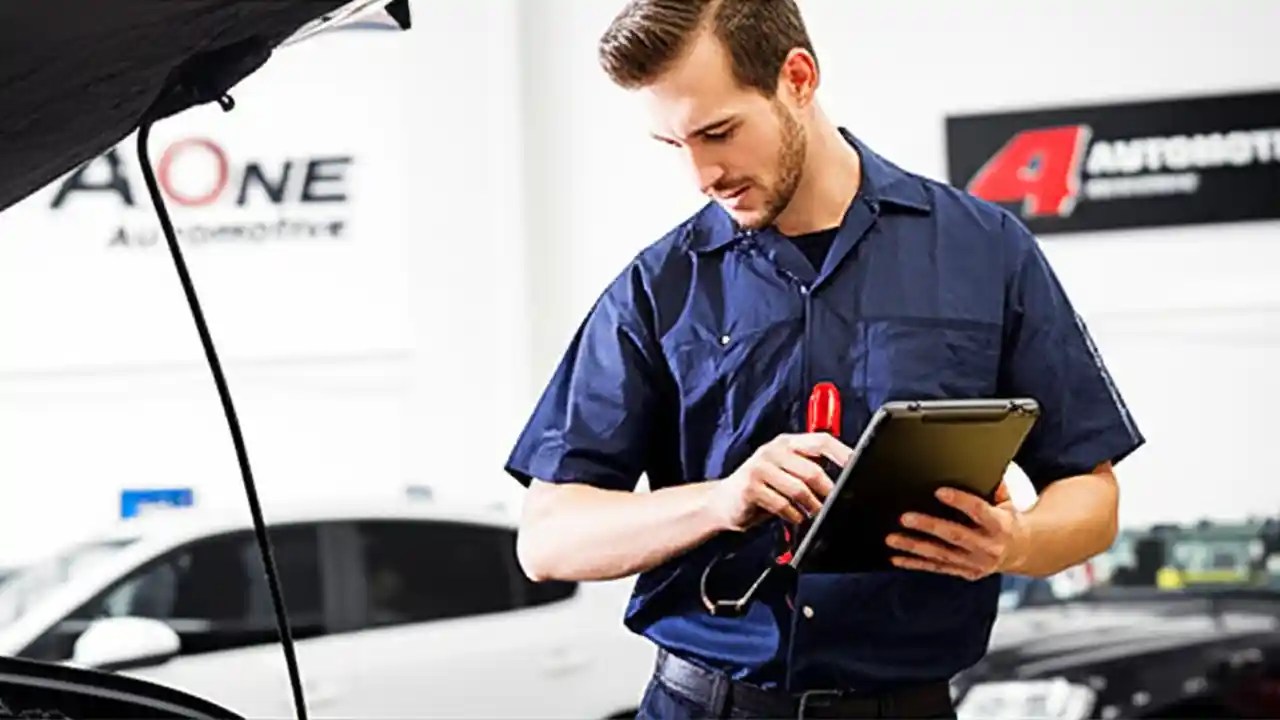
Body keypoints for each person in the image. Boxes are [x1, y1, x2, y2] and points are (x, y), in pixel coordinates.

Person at [505, 1, 1145, 718]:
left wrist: (1015, 542)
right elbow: (550, 537)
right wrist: (720, 500)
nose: (702, 174)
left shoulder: (984, 252)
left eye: (718, 131)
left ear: (798, 78)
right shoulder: (659, 288)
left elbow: (1093, 496)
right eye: (672, 143)